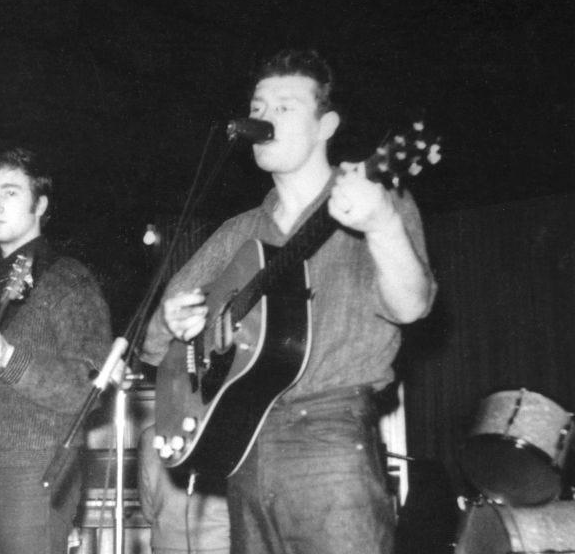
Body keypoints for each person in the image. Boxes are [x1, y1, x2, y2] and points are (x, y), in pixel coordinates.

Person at [141, 49, 437, 554]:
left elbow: (412, 307)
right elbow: (154, 340)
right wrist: (176, 321)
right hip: (245, 444)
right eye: (258, 106)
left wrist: (382, 225)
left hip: (330, 440)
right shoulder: (238, 231)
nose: (263, 118)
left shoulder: (378, 197)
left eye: (283, 107)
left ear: (327, 125)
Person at [0, 147, 113, 554]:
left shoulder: (69, 281)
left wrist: (11, 360)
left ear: (40, 204)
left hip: (36, 469)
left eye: (10, 192)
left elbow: (88, 388)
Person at [138, 425, 229, 554]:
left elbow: (148, 512)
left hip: (166, 546)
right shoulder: (234, 430)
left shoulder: (150, 435)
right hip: (221, 545)